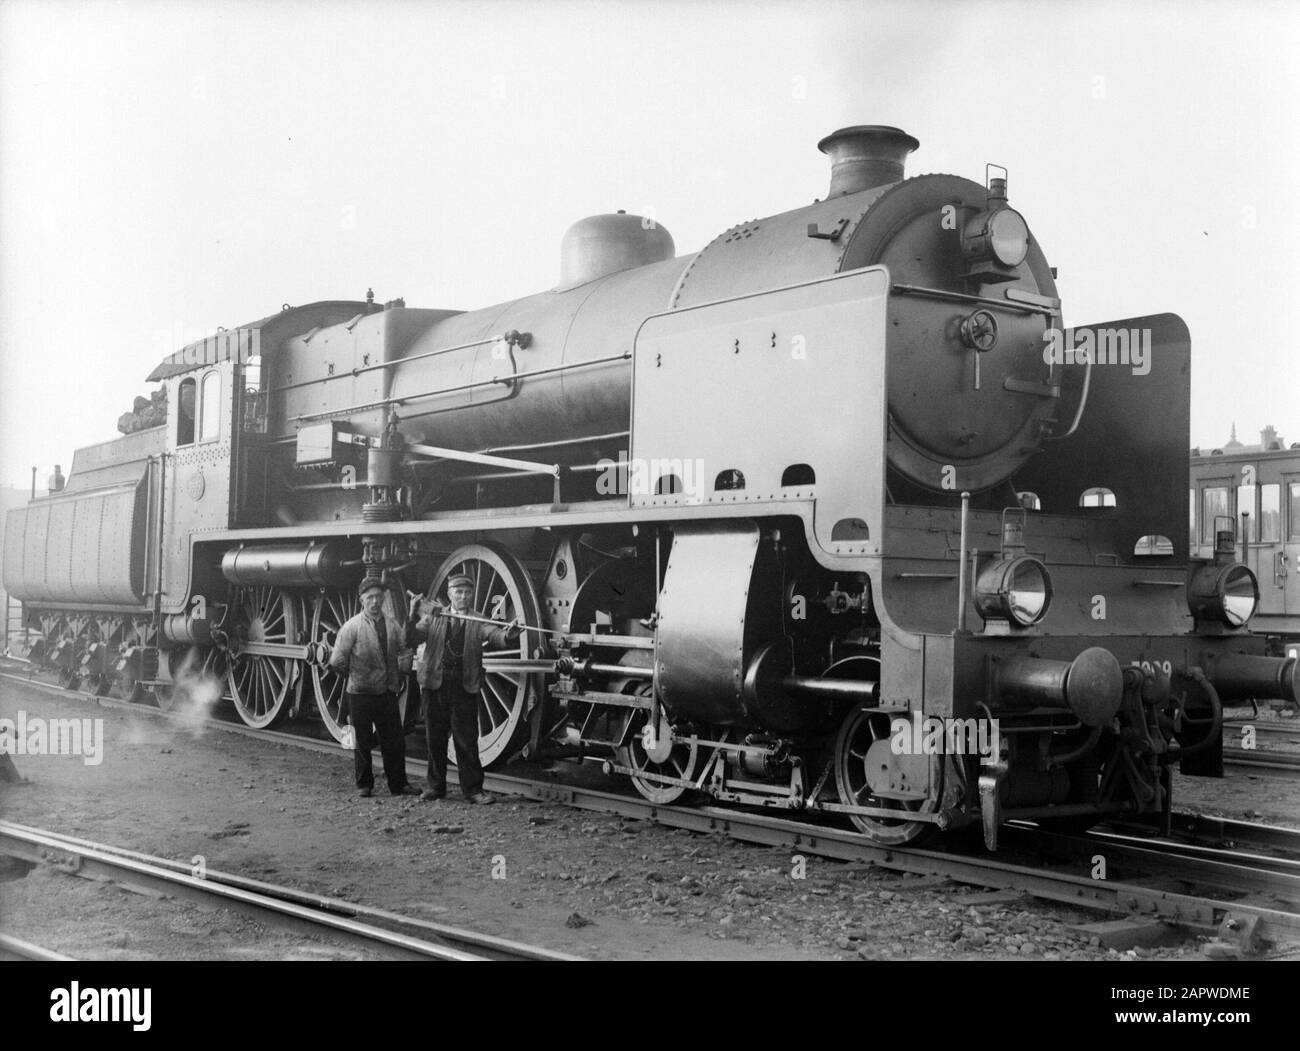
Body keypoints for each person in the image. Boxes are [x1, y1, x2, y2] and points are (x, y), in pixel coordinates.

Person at [409, 574, 523, 804]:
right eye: (458, 592)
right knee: (435, 740)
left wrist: (507, 636)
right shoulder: (434, 616)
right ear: (450, 594)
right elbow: (411, 637)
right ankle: (435, 787)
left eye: (467, 593)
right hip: (434, 686)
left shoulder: (477, 619)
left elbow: (494, 634)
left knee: (467, 741)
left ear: (471, 596)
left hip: (464, 687)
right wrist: (412, 613)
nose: (462, 596)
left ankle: (473, 791)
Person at [329, 577, 420, 798]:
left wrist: (401, 672)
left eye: (379, 597)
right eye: (370, 598)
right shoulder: (352, 627)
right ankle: (364, 785)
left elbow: (404, 647)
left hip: (387, 692)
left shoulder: (391, 625)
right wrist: (355, 676)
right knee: (361, 741)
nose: (375, 602)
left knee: (394, 741)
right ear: (362, 601)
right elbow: (336, 661)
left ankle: (398, 785)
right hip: (360, 693)